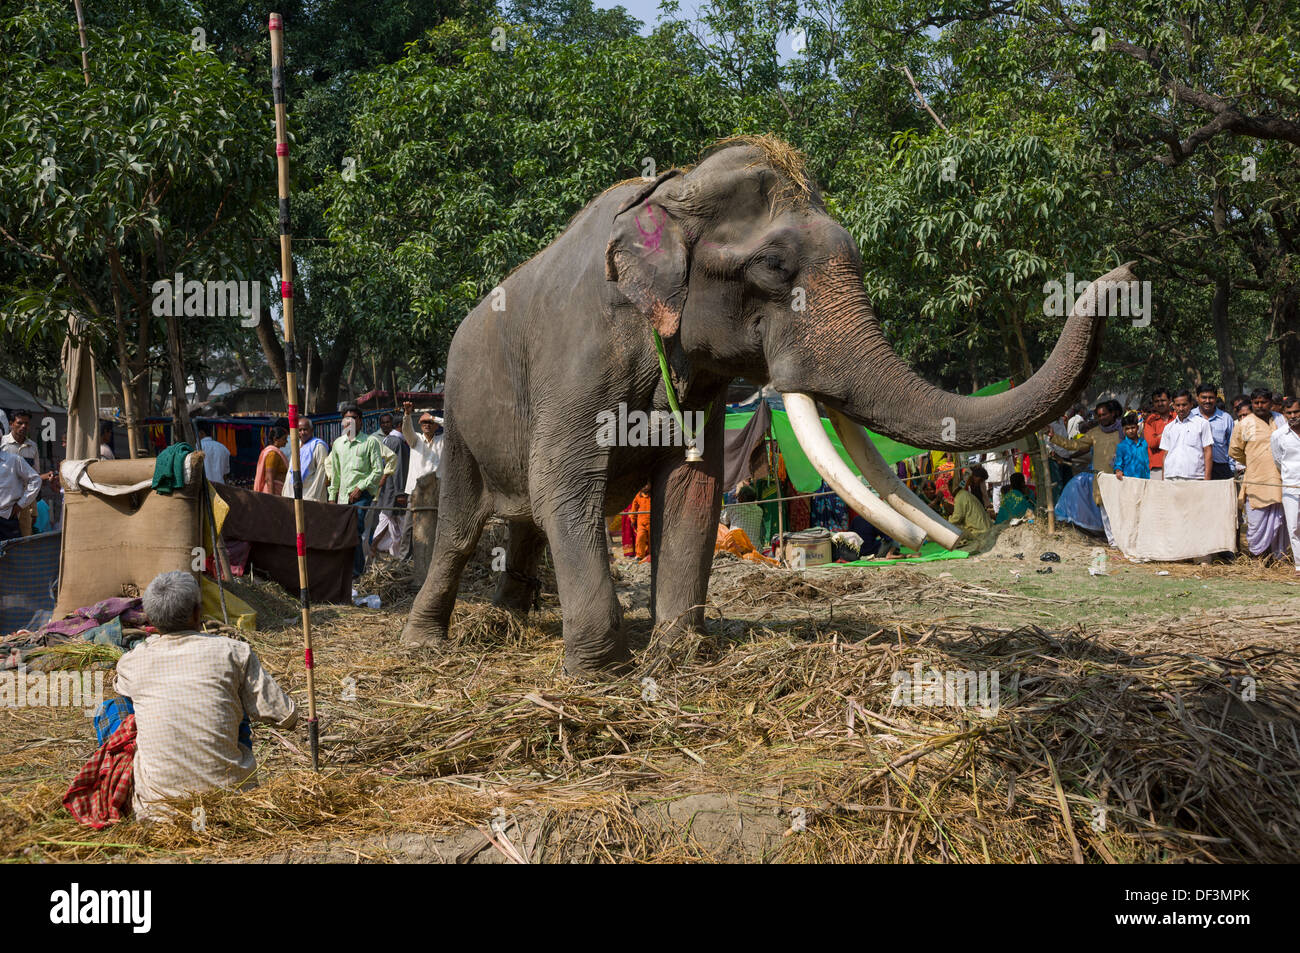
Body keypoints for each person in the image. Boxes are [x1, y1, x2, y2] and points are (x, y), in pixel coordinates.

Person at [114, 571, 297, 823]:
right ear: (197, 613)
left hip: (159, 812)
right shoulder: (233, 651)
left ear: (151, 620)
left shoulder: (131, 663)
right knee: (234, 703)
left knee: (113, 709)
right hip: (233, 801)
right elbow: (284, 716)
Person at [1047, 398, 1124, 545]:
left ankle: (1125, 541)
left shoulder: (1123, 431)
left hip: (1120, 478)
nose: (1101, 418)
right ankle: (1114, 544)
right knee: (1105, 513)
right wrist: (1054, 438)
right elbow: (1075, 444)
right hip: (1101, 480)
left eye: (1104, 414)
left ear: (1113, 413)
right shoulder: (1094, 433)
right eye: (1099, 416)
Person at [328, 405, 384, 577]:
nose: (349, 422)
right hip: (343, 497)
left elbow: (378, 471)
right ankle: (346, 570)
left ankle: (356, 573)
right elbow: (335, 473)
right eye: (346, 419)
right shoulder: (338, 444)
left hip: (362, 495)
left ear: (360, 421)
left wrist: (361, 487)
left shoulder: (370, 442)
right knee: (343, 533)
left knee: (354, 530)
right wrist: (331, 497)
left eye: (352, 418)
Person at [1230, 388, 1285, 559]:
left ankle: (1278, 558)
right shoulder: (1245, 424)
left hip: (1280, 479)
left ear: (1270, 403)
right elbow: (1235, 450)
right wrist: (1253, 462)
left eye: (1263, 402)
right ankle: (1257, 558)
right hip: (1255, 479)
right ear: (1252, 403)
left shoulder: (1280, 419)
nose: (1260, 405)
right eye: (1256, 402)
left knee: (1279, 521)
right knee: (1256, 521)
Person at [400, 402, 444, 559]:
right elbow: (406, 429)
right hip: (415, 491)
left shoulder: (443, 440)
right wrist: (407, 413)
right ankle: (404, 559)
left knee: (437, 527)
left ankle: (434, 559)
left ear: (436, 426)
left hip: (436, 492)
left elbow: (452, 427)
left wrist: (433, 417)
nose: (427, 424)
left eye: (430, 423)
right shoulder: (415, 440)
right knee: (408, 528)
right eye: (424, 422)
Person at [1, 410, 45, 535]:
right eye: (20, 423)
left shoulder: (32, 446)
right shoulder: (2, 444)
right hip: (5, 504)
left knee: (24, 541)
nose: (24, 426)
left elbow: (36, 477)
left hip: (25, 504)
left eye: (26, 423)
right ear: (11, 424)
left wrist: (33, 509)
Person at [1270, 396, 1300, 573]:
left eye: (1296, 411)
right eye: (1289, 413)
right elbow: (1278, 460)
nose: (1293, 415)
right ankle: (1299, 565)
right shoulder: (1278, 435)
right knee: (1294, 527)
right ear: (1284, 414)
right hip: (1290, 487)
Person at [1160, 391, 1214, 480]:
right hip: (1170, 477)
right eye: (1177, 405)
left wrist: (1207, 479)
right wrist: (1163, 478)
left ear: (1191, 404)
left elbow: (1208, 451)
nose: (1181, 408)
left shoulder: (1202, 424)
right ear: (1173, 406)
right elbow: (1165, 454)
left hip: (1195, 477)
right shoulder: (1168, 428)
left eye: (1184, 405)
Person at [284, 416, 331, 502]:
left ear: (312, 430)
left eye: (305, 429)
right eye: (300, 430)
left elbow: (321, 472)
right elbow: (290, 471)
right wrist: (286, 492)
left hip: (310, 495)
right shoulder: (296, 446)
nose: (302, 432)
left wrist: (313, 496)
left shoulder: (318, 446)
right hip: (293, 494)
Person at [1194, 383, 1235, 480]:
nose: (1207, 401)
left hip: (1221, 468)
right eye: (1204, 397)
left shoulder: (1226, 418)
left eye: (1211, 398)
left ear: (1216, 398)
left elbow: (1232, 445)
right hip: (1196, 469)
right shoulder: (1191, 417)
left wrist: (1231, 468)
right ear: (1197, 398)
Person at [949, 466, 994, 553]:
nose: (979, 483)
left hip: (979, 533)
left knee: (951, 526)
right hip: (986, 530)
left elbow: (956, 519)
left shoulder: (961, 495)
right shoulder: (965, 494)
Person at [0, 449, 42, 543]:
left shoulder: (14, 460)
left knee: (11, 554)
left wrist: (20, 505)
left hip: (7, 517)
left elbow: (36, 480)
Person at [1143, 388, 1175, 480]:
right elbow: (1152, 443)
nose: (1160, 404)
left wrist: (1158, 436)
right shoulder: (1150, 420)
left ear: (1170, 401)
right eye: (1156, 401)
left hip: (1177, 466)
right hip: (1157, 467)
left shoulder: (1177, 417)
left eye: (1163, 400)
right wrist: (1170, 433)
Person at [252, 424, 290, 495]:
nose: (286, 441)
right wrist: (273, 498)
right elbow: (269, 478)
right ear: (276, 439)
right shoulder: (272, 454)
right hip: (274, 492)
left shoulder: (276, 453)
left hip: (279, 490)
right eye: (284, 439)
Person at [1113, 412, 1151, 480]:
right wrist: (1118, 471)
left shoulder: (1144, 443)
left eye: (1133, 427)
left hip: (1146, 479)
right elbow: (1118, 465)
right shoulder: (1121, 446)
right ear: (1123, 430)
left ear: (1137, 427)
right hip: (1129, 482)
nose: (1130, 431)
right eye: (1127, 429)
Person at [196, 421, 230, 486]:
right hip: (220, 488)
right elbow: (225, 474)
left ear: (201, 433)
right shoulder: (223, 448)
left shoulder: (197, 447)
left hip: (204, 488)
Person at [633, 483, 652, 560]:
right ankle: (639, 555)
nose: (645, 487)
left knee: (652, 539)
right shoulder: (638, 496)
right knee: (640, 538)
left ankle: (651, 555)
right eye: (643, 485)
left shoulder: (652, 495)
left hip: (651, 521)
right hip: (641, 522)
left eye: (647, 485)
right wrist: (633, 519)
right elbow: (634, 509)